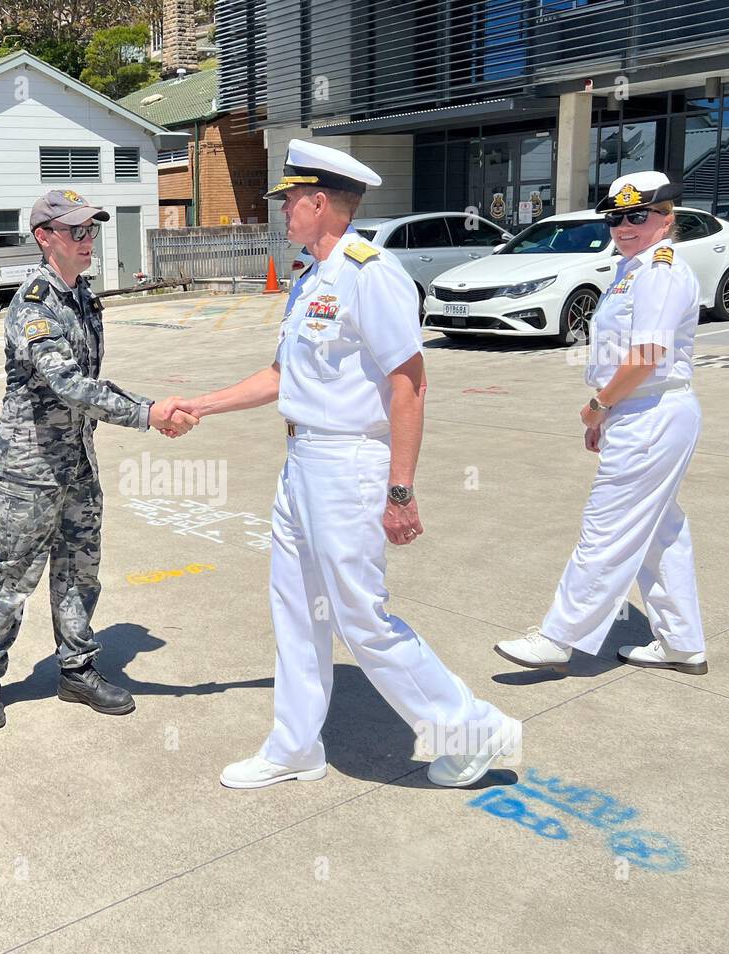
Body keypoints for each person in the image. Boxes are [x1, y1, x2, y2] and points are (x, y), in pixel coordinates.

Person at [183, 140, 521, 789]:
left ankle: (472, 726)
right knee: (296, 607)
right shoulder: (312, 279)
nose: (281, 211)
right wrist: (201, 404)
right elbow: (283, 377)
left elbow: (410, 382)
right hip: (302, 462)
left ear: (319, 202)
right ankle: (296, 745)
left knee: (361, 616)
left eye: (289, 201)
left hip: (349, 466)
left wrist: (401, 488)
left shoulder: (371, 273)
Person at [0, 190, 198, 731]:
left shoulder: (83, 299)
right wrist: (148, 412)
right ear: (45, 237)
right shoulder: (35, 305)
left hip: (77, 462)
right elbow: (69, 384)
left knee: (79, 570)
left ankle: (76, 668)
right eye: (76, 232)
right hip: (29, 471)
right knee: (12, 575)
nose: (87, 240)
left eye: (91, 230)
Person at [496, 172, 707, 674]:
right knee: (661, 530)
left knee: (607, 527)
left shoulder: (660, 269)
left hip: (650, 411)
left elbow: (649, 353)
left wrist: (600, 404)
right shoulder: (632, 268)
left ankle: (558, 636)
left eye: (639, 215)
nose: (625, 226)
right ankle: (681, 641)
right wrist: (610, 411)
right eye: (616, 217)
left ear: (667, 218)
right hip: (642, 409)